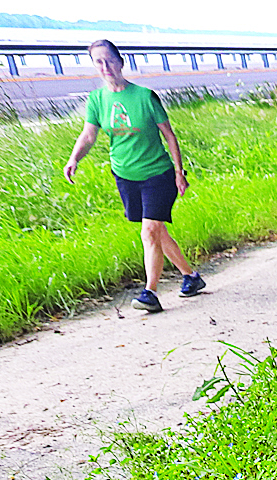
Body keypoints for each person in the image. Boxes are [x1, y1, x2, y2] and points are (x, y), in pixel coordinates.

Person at [62, 39, 205, 314]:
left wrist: (179, 172)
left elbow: (169, 135)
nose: (105, 67)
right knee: (158, 231)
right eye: (98, 62)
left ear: (120, 62)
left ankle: (150, 293)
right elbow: (89, 134)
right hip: (125, 176)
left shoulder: (145, 96)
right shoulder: (97, 100)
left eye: (109, 60)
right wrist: (74, 158)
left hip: (158, 174)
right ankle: (191, 277)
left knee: (149, 231)